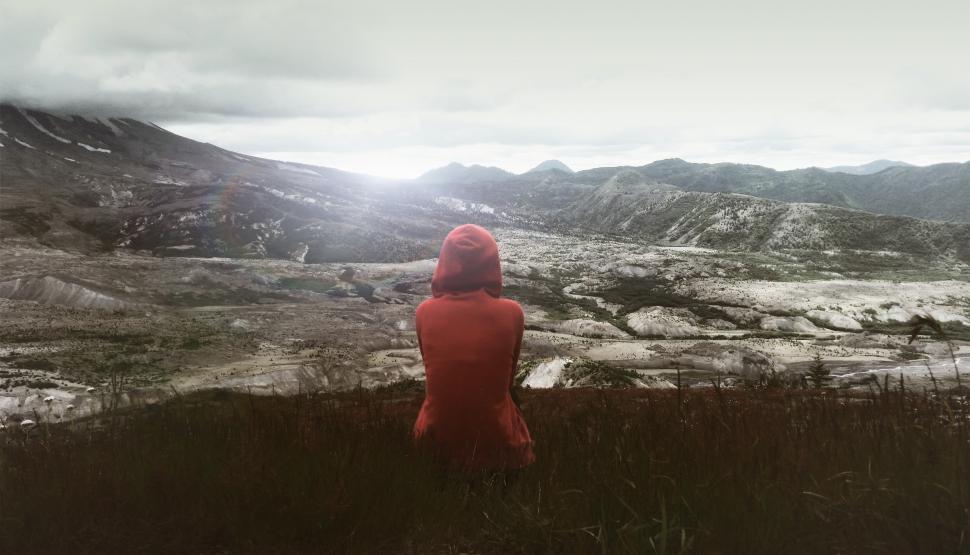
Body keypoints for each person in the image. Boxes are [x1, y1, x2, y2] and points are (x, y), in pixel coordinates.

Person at [413, 224, 535, 471]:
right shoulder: (512, 313)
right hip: (501, 450)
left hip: (434, 447)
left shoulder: (424, 312)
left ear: (446, 261)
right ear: (491, 263)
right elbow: (506, 382)